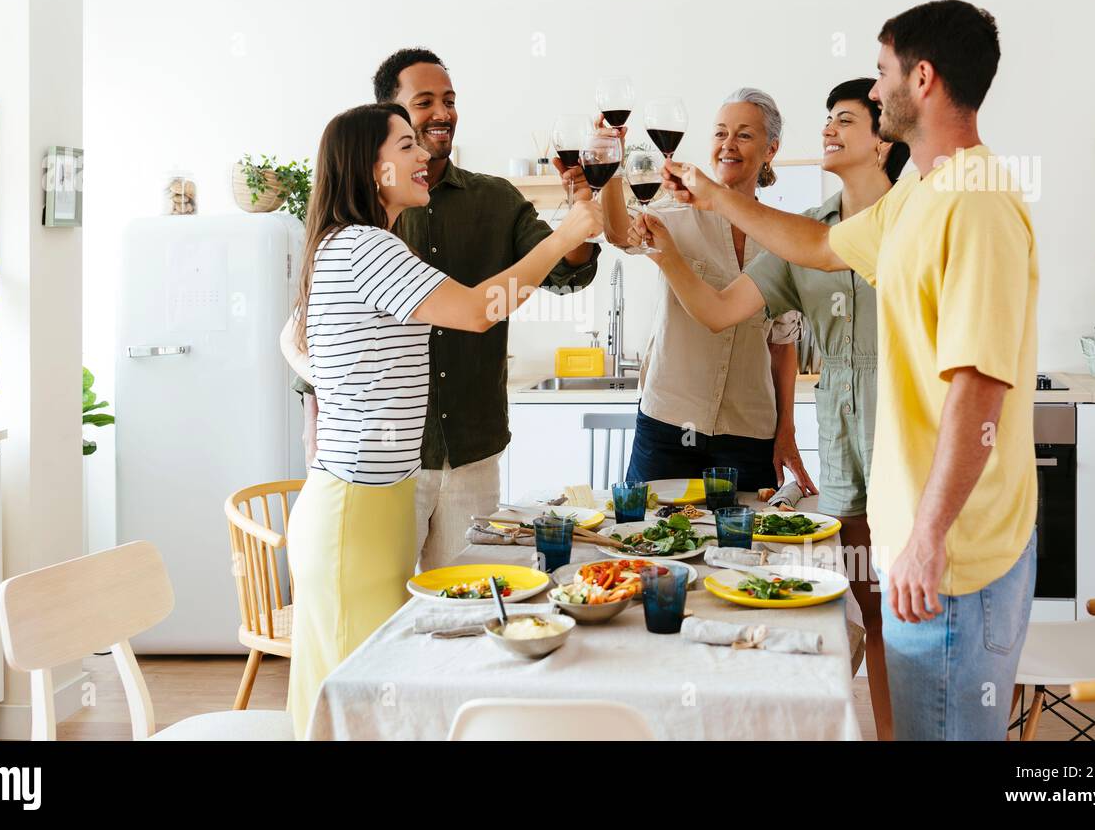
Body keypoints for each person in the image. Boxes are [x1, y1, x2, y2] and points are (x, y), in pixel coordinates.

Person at [661, 0, 1037, 741]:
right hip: (920, 548)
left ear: (921, 78)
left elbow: (979, 389)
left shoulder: (979, 201)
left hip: (954, 559)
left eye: (881, 71)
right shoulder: (923, 198)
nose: (874, 88)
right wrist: (710, 195)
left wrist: (927, 537)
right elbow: (817, 244)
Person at [284, 102, 601, 737]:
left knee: (366, 694)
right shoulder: (365, 245)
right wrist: (564, 237)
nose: (423, 155)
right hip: (355, 512)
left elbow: (300, 340)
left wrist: (340, 392)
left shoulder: (354, 245)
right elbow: (482, 309)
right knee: (355, 699)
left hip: (368, 500)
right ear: (372, 170)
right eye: (405, 146)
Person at [629, 77, 909, 740]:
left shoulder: (908, 219)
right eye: (828, 118)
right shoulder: (805, 233)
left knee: (906, 617)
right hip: (842, 442)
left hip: (901, 432)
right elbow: (722, 311)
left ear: (883, 141)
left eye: (844, 119)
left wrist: (782, 427)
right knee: (861, 603)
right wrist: (664, 249)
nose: (829, 130)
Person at [295, 48, 601, 572]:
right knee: (383, 627)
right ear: (383, 129)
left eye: (450, 100)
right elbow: (478, 310)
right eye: (421, 107)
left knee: (462, 607)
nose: (442, 114)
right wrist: (320, 418)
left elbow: (567, 275)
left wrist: (575, 223)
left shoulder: (492, 200)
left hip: (462, 450)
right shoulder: (369, 239)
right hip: (383, 471)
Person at [569, 90, 810, 494]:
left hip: (748, 430)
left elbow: (782, 345)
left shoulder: (779, 235)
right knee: (646, 540)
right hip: (668, 423)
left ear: (772, 149)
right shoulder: (673, 214)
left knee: (742, 548)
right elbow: (615, 233)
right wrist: (612, 163)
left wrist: (785, 430)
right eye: (719, 133)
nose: (728, 145)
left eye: (744, 135)